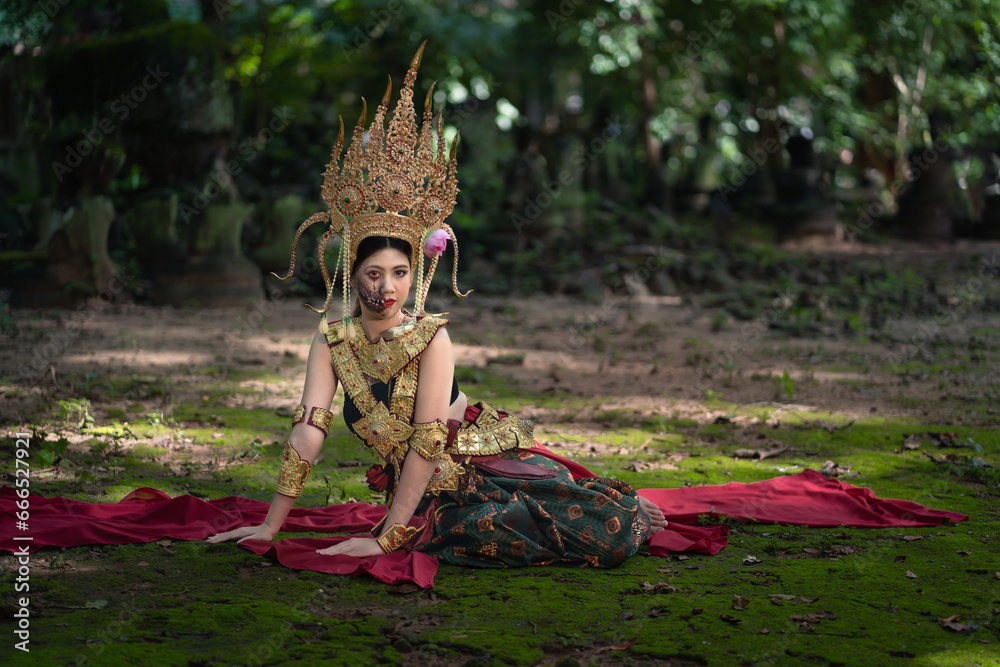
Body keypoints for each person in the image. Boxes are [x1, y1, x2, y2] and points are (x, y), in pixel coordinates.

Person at [206, 43, 668, 567]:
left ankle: (621, 506)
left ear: (416, 273)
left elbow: (428, 442)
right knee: (461, 533)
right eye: (374, 274)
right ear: (351, 273)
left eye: (400, 273)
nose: (387, 288)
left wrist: (385, 539)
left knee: (594, 531)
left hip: (477, 463)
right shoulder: (331, 338)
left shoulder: (432, 337)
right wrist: (270, 525)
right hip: (419, 493)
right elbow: (310, 430)